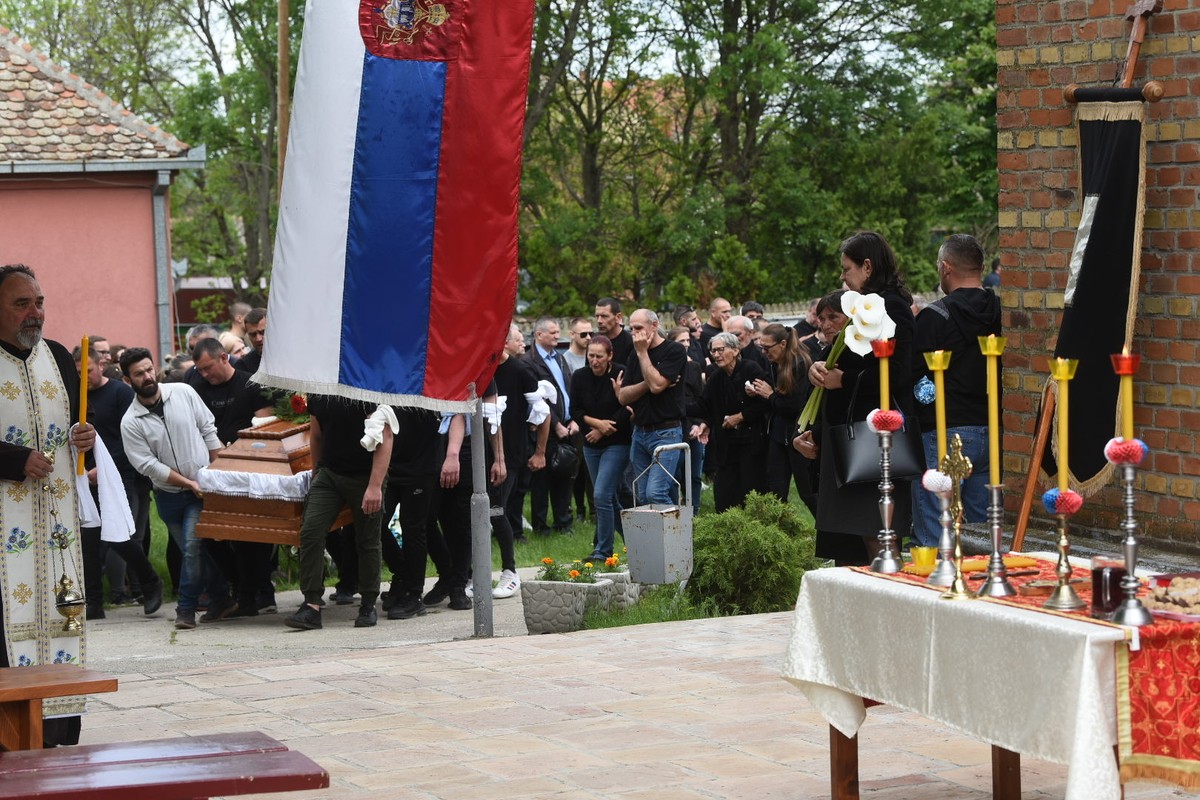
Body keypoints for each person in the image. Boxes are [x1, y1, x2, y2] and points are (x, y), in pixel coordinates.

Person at [0, 264, 96, 746]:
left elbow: (80, 416)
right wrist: (13, 459)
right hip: (3, 534)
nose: (35, 312)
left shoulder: (57, 355)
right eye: (22, 303)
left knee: (61, 617)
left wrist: (86, 434)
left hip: (56, 527)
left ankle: (58, 732)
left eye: (38, 302)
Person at [806, 232, 917, 565]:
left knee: (875, 530)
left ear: (867, 267)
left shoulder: (891, 306)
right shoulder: (866, 303)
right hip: (852, 433)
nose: (843, 277)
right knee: (859, 533)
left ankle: (887, 594)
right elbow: (854, 354)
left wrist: (845, 379)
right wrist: (824, 364)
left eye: (847, 268)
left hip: (872, 437)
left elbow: (896, 371)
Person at [120, 347, 234, 629]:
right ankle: (223, 597)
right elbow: (148, 466)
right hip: (169, 496)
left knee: (193, 549)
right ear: (127, 380)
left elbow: (208, 428)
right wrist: (187, 482)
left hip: (201, 488)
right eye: (138, 374)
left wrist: (216, 474)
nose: (147, 377)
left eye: (149, 369)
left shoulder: (182, 392)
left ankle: (185, 609)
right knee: (190, 551)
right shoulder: (130, 422)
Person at [911, 234, 1001, 546]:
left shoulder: (934, 317)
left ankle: (935, 585)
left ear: (946, 268)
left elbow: (920, 385)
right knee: (981, 532)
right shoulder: (1002, 312)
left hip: (945, 427)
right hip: (992, 426)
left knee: (937, 525)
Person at [286, 396, 394, 630]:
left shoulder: (365, 389)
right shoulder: (319, 392)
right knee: (310, 532)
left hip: (365, 475)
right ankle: (312, 604)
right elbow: (316, 435)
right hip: (330, 474)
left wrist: (375, 486)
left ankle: (367, 604)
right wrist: (316, 472)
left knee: (367, 540)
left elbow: (385, 438)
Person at [74, 344, 163, 621]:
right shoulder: (76, 397)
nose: (84, 377)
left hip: (120, 475)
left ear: (100, 365)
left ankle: (149, 582)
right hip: (84, 477)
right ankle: (93, 603)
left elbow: (130, 437)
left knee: (120, 535)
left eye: (87, 370)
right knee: (88, 539)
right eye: (78, 373)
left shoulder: (120, 393)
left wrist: (104, 468)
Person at [688, 332, 768, 511]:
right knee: (724, 497)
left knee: (751, 494)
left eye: (720, 350)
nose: (716, 355)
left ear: (735, 349)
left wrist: (740, 416)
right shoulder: (716, 377)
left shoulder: (751, 369)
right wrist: (677, 406)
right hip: (727, 446)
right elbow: (704, 405)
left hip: (752, 443)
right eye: (713, 351)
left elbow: (766, 401)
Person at [616, 309, 687, 505]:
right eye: (632, 329)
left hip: (666, 432)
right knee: (642, 497)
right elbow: (623, 397)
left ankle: (678, 534)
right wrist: (650, 382)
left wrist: (642, 353)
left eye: (639, 328)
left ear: (654, 326)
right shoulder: (633, 356)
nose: (635, 334)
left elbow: (657, 387)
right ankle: (659, 535)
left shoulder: (674, 350)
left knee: (655, 493)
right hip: (640, 432)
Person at [571, 334, 631, 562]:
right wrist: (596, 425)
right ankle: (634, 541)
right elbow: (575, 410)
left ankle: (602, 551)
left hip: (617, 442)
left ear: (610, 356)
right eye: (591, 356)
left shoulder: (621, 373)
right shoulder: (579, 376)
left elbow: (627, 408)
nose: (594, 361)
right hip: (591, 443)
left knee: (601, 494)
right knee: (609, 498)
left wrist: (606, 428)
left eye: (599, 356)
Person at [748, 323, 816, 516]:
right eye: (761, 347)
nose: (764, 352)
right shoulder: (773, 363)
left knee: (808, 492)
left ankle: (831, 533)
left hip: (798, 433)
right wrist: (760, 392)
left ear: (783, 344)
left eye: (767, 347)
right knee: (775, 491)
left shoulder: (800, 363)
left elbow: (794, 406)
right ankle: (779, 537)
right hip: (778, 434)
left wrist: (770, 396)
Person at [669, 325, 705, 514]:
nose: (685, 345)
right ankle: (675, 511)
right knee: (674, 474)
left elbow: (700, 398)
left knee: (694, 475)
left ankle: (694, 510)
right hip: (673, 425)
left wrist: (698, 424)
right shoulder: (666, 367)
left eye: (687, 341)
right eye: (680, 341)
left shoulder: (694, 366)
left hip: (693, 426)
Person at [595, 297, 634, 367]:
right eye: (597, 316)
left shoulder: (630, 343)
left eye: (604, 316)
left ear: (618, 317)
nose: (599, 321)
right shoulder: (594, 341)